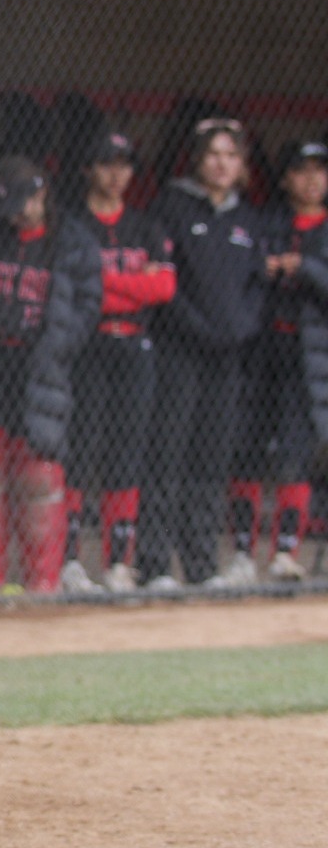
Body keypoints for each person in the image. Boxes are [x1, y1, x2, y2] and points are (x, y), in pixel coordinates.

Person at [137, 119, 266, 590]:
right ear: (197, 158)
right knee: (168, 454)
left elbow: (256, 287)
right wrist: (202, 328)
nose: (222, 164)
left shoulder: (246, 219)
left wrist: (239, 328)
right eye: (214, 154)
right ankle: (153, 565)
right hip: (180, 353)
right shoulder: (171, 206)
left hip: (227, 357)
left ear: (242, 164)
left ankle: (201, 564)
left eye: (231, 156)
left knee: (211, 460)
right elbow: (164, 284)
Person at [0, 158, 101, 595]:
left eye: (24, 203)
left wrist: (60, 346)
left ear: (43, 195)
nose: (16, 215)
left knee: (38, 471)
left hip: (41, 366)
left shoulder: (72, 240)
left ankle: (42, 580)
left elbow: (88, 302)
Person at [63, 130, 176, 593]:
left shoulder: (145, 226)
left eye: (124, 165)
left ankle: (118, 565)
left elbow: (165, 289)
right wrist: (132, 283)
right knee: (80, 449)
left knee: (126, 454)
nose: (117, 174)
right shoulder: (73, 225)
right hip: (87, 347)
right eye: (106, 164)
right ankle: (69, 562)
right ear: (87, 169)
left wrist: (107, 285)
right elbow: (73, 287)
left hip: (135, 348)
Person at [223, 139, 328, 584]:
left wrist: (304, 267)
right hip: (262, 349)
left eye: (319, 170)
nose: (311, 179)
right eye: (301, 170)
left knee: (296, 454)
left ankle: (285, 552)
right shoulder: (266, 221)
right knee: (245, 449)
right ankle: (243, 553)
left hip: (309, 356)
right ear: (285, 178)